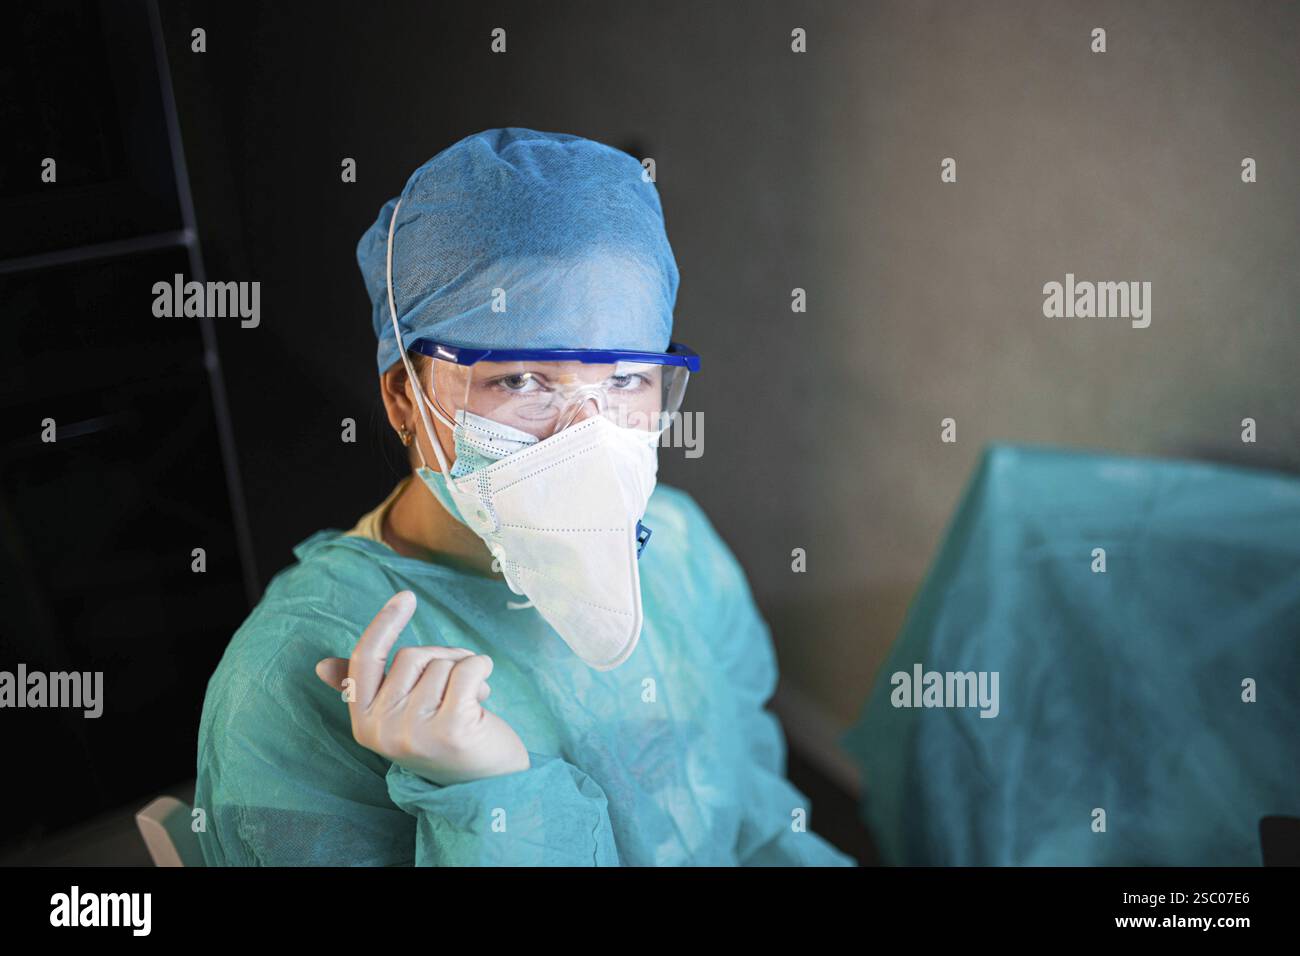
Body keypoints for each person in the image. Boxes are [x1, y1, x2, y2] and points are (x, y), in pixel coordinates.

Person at [194, 127, 856, 866]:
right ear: (402, 397)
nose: (589, 436)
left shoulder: (678, 544)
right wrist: (491, 800)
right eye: (521, 380)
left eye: (626, 379)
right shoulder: (291, 680)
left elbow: (751, 812)